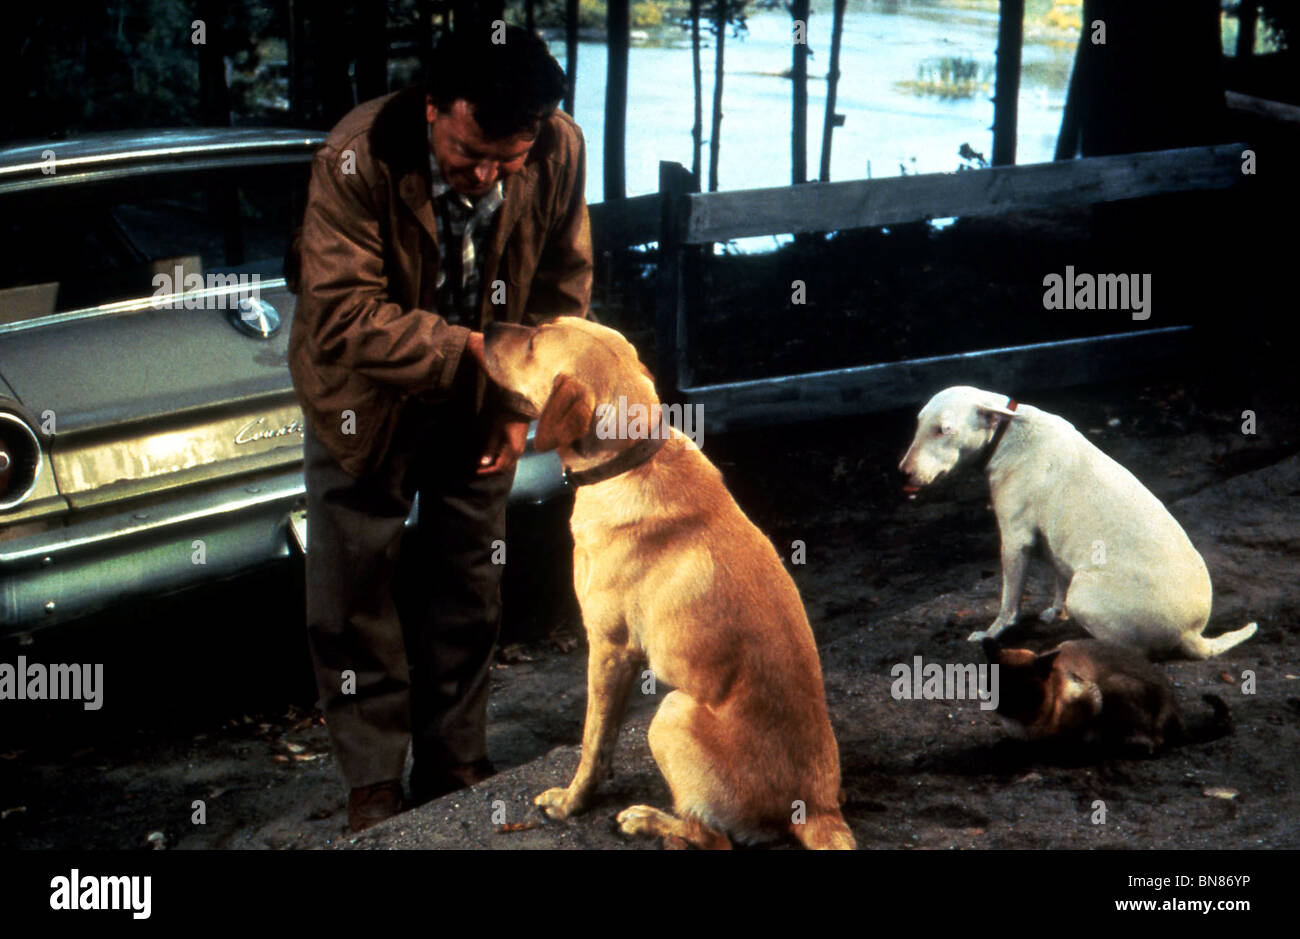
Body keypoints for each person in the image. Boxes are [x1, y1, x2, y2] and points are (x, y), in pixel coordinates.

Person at [288, 25, 591, 833]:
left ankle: (455, 759)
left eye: (505, 159)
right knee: (353, 589)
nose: (484, 174)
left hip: (486, 392)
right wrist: (476, 352)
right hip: (362, 395)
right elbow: (344, 315)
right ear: (432, 107)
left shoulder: (559, 145)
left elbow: (563, 287)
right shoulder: (355, 157)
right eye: (467, 153)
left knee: (470, 577)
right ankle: (373, 780)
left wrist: (518, 407)